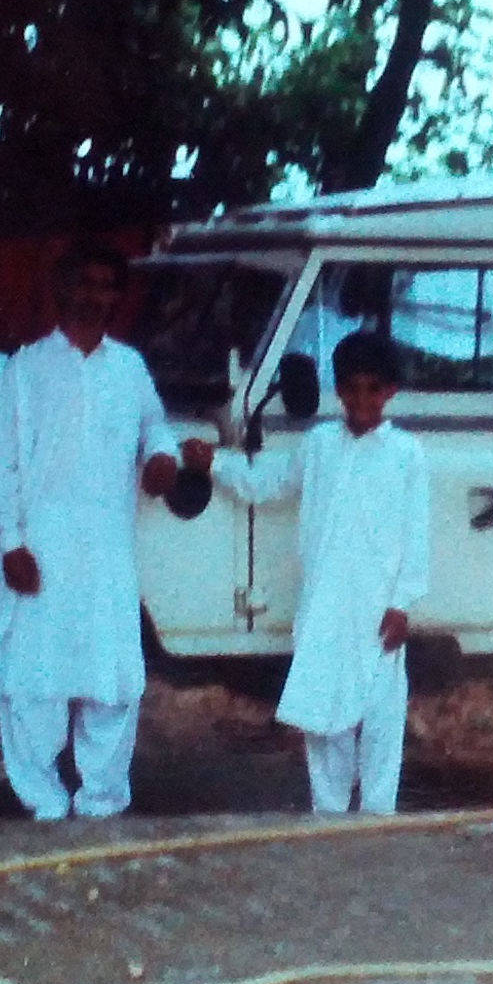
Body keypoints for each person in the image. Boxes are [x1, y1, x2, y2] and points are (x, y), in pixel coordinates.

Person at [185, 331, 430, 815]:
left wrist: (403, 602)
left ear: (390, 392)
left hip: (378, 608)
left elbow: (417, 536)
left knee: (380, 716)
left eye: (373, 389)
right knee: (324, 714)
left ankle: (379, 814)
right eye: (352, 389)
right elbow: (267, 482)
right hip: (324, 605)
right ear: (338, 391)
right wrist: (215, 462)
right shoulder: (319, 445)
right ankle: (329, 815)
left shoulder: (406, 454)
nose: (361, 400)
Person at [0, 243, 181, 820]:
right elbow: (4, 464)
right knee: (35, 679)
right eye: (85, 284)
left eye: (107, 286)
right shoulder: (26, 370)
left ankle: (101, 802)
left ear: (117, 297)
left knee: (109, 677)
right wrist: (13, 543)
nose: (96, 296)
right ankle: (43, 801)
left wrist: (162, 459)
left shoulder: (129, 367)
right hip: (39, 546)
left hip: (106, 548)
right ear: (62, 289)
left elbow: (156, 429)